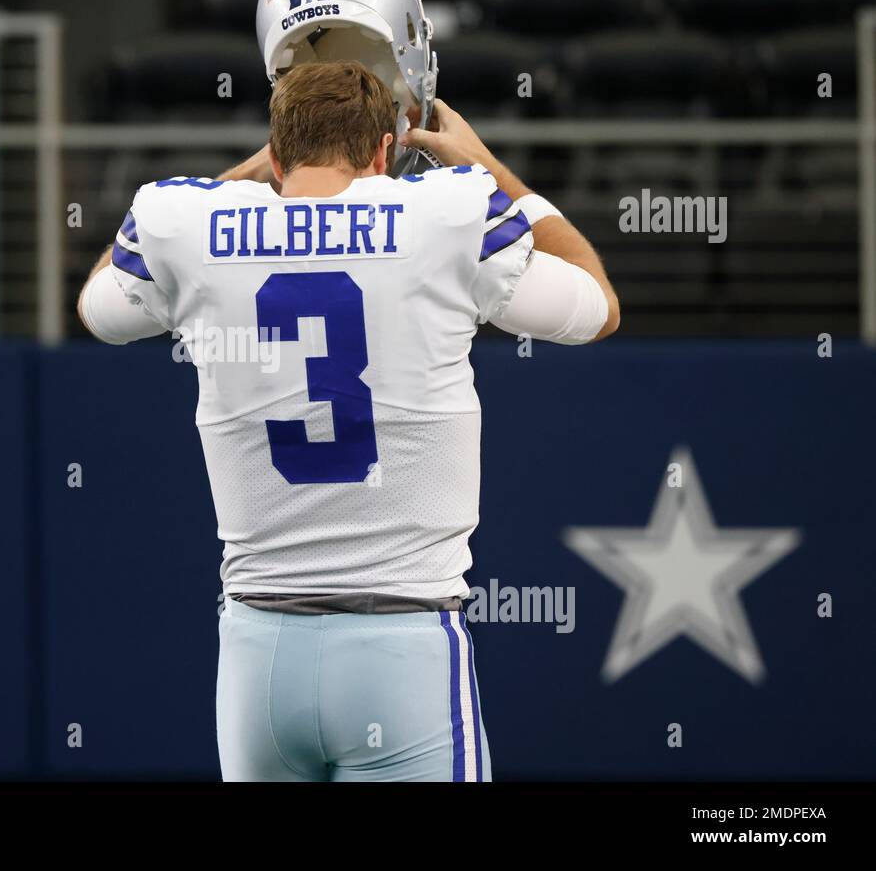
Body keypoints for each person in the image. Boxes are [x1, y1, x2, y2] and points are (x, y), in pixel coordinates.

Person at [77, 60, 619, 781]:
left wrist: (243, 180)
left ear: (275, 154)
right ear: (382, 154)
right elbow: (598, 306)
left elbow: (96, 310)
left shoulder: (185, 221)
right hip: (403, 644)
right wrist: (490, 165)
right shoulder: (449, 212)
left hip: (257, 658)